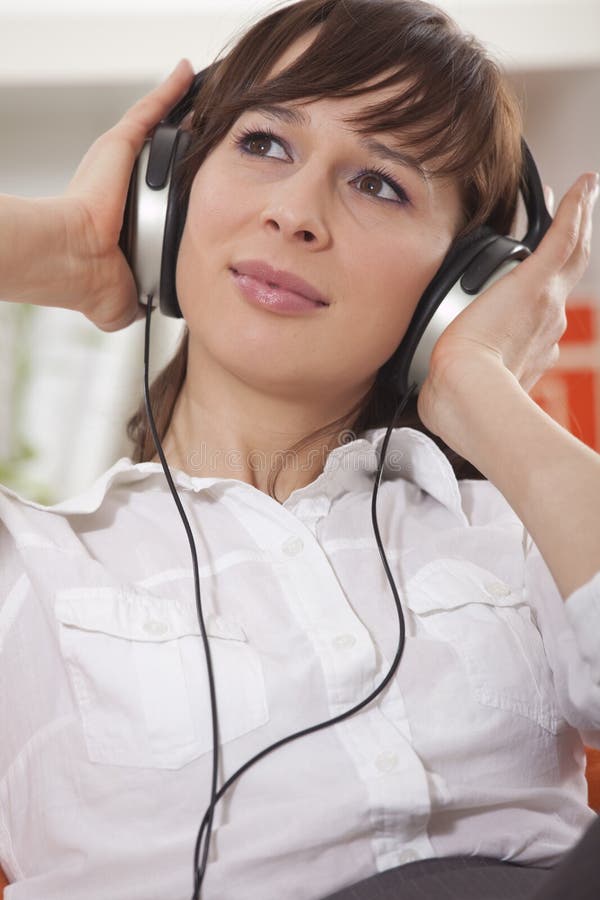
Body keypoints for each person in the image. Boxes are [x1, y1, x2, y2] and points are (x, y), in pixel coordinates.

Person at [0, 1, 599, 898]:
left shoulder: (520, 533)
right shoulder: (32, 571)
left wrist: (477, 385)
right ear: (169, 195)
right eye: (265, 144)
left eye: (380, 184)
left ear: (459, 281)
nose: (295, 214)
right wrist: (62, 251)